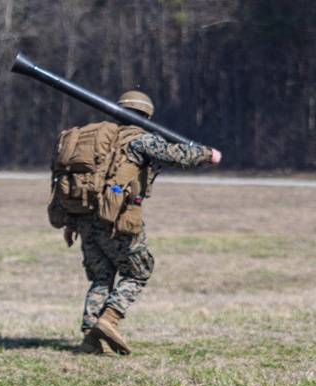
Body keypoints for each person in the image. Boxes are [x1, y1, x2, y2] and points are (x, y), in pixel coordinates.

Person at [60, 91, 222, 355]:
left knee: (101, 276)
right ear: (146, 116)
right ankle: (108, 320)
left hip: (85, 219)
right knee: (140, 270)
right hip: (117, 218)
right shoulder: (139, 140)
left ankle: (90, 340)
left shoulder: (99, 139)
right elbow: (176, 155)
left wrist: (70, 221)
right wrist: (207, 154)